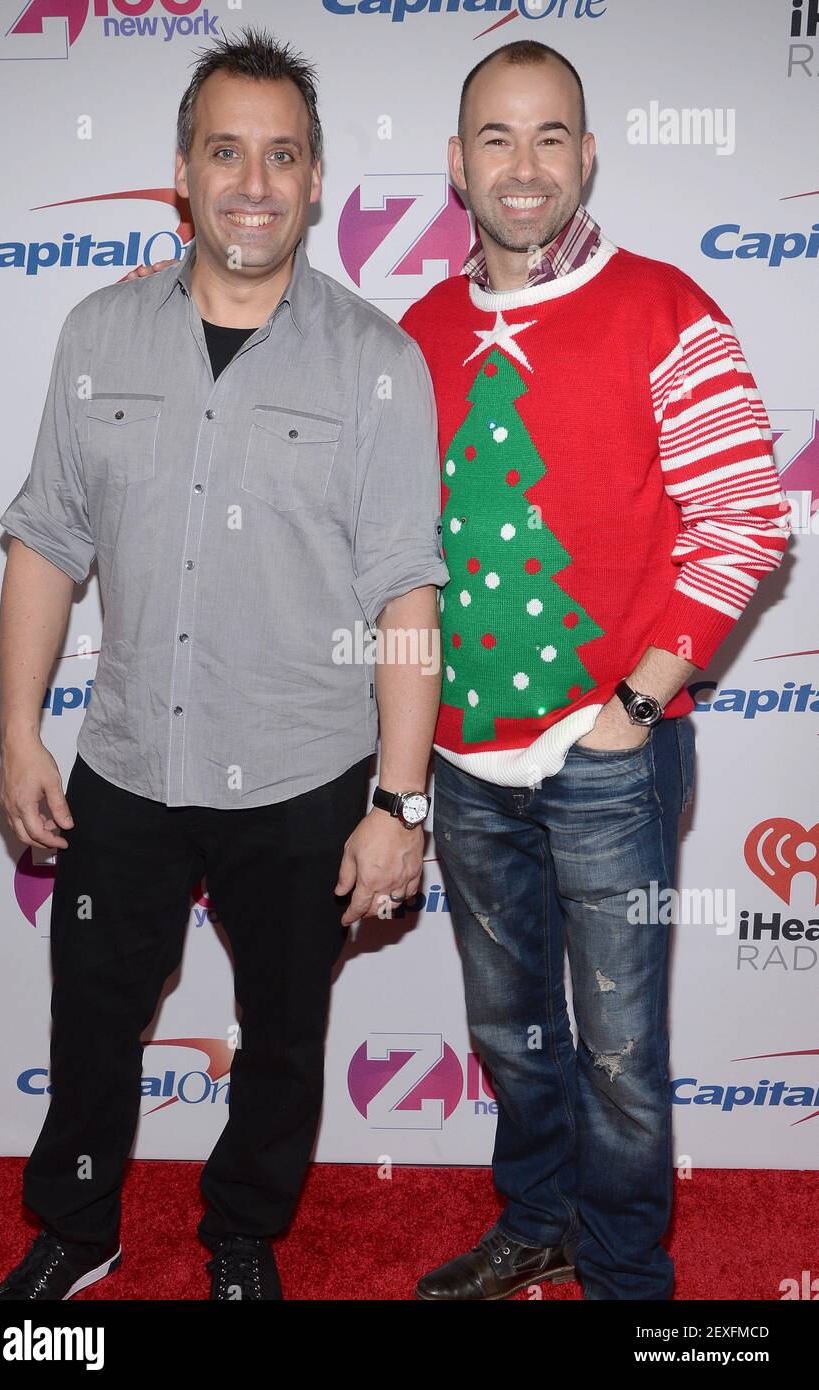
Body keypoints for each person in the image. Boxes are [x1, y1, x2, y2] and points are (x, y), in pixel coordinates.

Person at [0, 27, 447, 1302]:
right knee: (91, 1019)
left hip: (308, 770)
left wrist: (399, 802)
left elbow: (404, 590)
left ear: (315, 183)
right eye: (226, 152)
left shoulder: (376, 363)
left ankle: (242, 1231)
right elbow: (43, 540)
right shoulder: (96, 334)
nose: (254, 182)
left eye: (282, 156)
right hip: (131, 758)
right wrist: (19, 730)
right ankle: (79, 1228)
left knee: (286, 1039)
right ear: (181, 174)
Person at [397, 40, 791, 1301]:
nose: (525, 165)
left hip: (604, 757)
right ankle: (538, 1222)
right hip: (459, 762)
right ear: (457, 167)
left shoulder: (664, 308)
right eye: (497, 140)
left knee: (620, 1052)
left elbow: (745, 520)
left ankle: (626, 1280)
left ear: (586, 154)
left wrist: (633, 704)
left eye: (550, 135)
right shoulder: (416, 332)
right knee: (509, 1034)